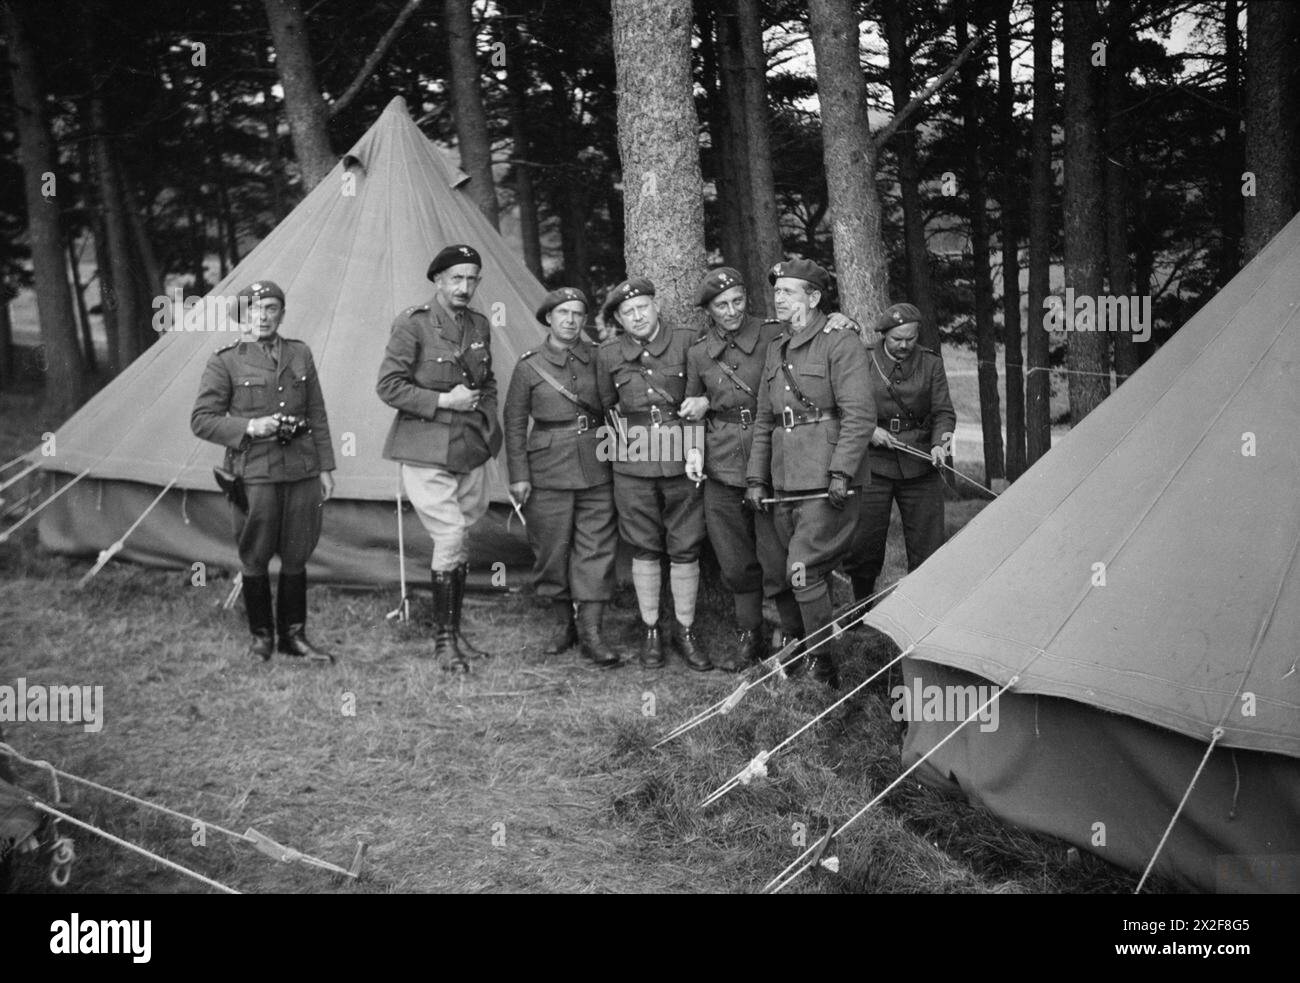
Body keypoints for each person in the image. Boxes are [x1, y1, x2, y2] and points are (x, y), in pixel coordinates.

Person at [680, 267, 857, 672]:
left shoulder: (774, 333)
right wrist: (694, 448)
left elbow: (816, 334)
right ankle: (750, 634)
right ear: (708, 310)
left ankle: (798, 637)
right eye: (721, 305)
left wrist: (845, 318)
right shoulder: (698, 351)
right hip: (723, 464)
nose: (731, 311)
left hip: (777, 467)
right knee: (735, 559)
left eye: (738, 301)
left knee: (781, 559)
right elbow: (692, 407)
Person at [191, 280, 336, 664]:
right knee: (254, 552)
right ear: (243, 315)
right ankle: (261, 637)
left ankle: (294, 637)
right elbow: (202, 420)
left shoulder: (300, 354)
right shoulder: (225, 361)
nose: (264, 316)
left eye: (272, 308)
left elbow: (316, 412)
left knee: (298, 551)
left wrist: (325, 467)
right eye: (255, 309)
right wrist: (249, 428)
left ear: (282, 314)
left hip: (302, 468)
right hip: (255, 470)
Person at [744, 261, 874, 687]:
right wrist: (755, 479)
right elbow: (766, 420)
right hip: (782, 482)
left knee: (803, 567)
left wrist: (841, 471)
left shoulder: (840, 341)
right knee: (780, 570)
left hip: (827, 482)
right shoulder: (776, 347)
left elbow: (859, 415)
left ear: (814, 298)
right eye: (776, 291)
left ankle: (824, 661)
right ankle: (797, 644)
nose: (779, 298)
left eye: (789, 292)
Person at [375, 244, 502, 673]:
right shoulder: (413, 325)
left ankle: (456, 631)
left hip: (470, 447)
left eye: (472, 279)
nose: (465, 287)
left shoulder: (480, 325)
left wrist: (489, 424)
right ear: (438, 281)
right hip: (426, 446)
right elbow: (389, 387)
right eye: (456, 279)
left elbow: (489, 382)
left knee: (462, 536)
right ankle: (443, 640)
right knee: (449, 538)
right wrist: (445, 398)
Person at [595, 277, 708, 671]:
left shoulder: (687, 340)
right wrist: (616, 457)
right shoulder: (608, 354)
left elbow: (696, 399)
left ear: (657, 306)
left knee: (685, 545)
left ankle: (686, 630)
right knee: (643, 546)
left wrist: (694, 447)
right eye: (628, 312)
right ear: (619, 320)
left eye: (642, 307)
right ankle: (650, 631)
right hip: (633, 463)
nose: (637, 316)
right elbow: (607, 407)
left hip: (681, 458)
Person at [503, 287, 620, 668]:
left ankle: (591, 632)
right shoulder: (529, 365)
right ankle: (561, 625)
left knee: (596, 549)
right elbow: (515, 422)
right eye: (563, 313)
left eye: (577, 313)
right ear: (548, 319)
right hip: (547, 469)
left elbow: (612, 408)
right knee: (551, 550)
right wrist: (519, 475)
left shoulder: (599, 358)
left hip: (596, 465)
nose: (570, 320)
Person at [844, 302, 956, 606]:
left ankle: (922, 609)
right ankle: (860, 607)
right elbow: (845, 405)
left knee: (927, 545)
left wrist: (939, 446)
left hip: (920, 465)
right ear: (884, 336)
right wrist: (869, 430)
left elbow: (944, 414)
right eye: (897, 339)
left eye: (910, 338)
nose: (905, 345)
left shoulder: (931, 363)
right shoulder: (864, 359)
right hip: (873, 466)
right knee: (864, 543)